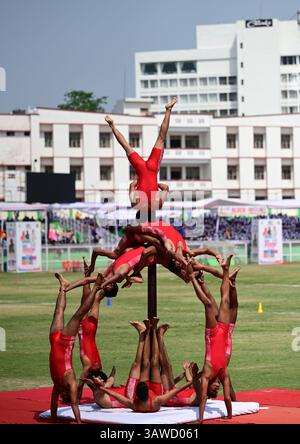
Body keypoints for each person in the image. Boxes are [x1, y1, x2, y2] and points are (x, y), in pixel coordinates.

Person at [88, 319, 192, 412]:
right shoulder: (156, 401)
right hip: (154, 392)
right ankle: (154, 331)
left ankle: (145, 333)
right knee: (155, 363)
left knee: (145, 364)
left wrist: (111, 375)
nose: (101, 379)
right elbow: (178, 390)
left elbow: (112, 391)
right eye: (97, 379)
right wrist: (192, 377)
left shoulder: (133, 403)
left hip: (130, 394)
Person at [105, 97, 177, 213]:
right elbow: (132, 186)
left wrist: (154, 183)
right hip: (141, 170)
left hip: (153, 170)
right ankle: (112, 125)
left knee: (161, 138)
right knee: (126, 146)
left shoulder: (157, 206)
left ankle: (168, 110)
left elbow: (165, 188)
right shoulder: (135, 205)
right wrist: (141, 181)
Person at [49, 271, 103, 423]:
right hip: (65, 342)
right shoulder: (70, 384)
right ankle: (96, 287)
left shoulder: (57, 385)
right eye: (64, 397)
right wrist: (79, 422)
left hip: (54, 341)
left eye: (62, 397)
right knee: (80, 314)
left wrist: (53, 418)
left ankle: (63, 287)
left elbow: (53, 405)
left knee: (58, 311)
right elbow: (74, 404)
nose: (62, 397)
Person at [187, 255, 235, 423]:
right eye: (218, 388)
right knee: (225, 300)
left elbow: (203, 398)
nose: (218, 386)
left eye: (216, 388)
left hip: (212, 334)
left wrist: (200, 420)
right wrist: (229, 416)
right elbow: (227, 398)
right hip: (222, 331)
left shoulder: (207, 375)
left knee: (208, 304)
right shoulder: (223, 373)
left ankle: (192, 278)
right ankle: (226, 269)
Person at [76, 258, 106, 403]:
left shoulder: (89, 368)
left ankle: (87, 275)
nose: (99, 379)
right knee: (95, 299)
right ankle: (93, 278)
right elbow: (82, 382)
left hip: (85, 331)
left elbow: (81, 383)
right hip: (90, 332)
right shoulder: (96, 367)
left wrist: (76, 395)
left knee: (86, 302)